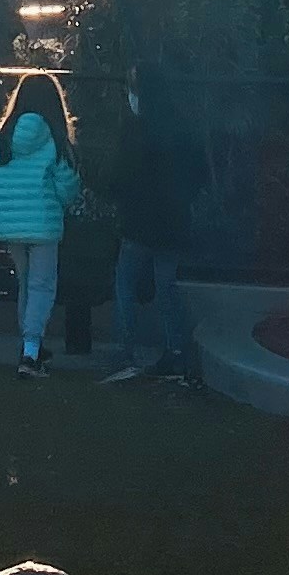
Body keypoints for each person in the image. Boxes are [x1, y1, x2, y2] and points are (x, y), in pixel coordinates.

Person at [0, 71, 81, 377]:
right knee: (42, 286)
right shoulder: (54, 140)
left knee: (25, 283)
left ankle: (29, 345)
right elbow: (67, 186)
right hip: (44, 223)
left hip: (10, 224)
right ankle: (31, 351)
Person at [106, 76, 202, 389]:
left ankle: (125, 353)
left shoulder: (133, 129)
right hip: (174, 224)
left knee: (125, 284)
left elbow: (120, 174)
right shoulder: (182, 127)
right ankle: (176, 351)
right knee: (167, 287)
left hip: (138, 222)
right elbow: (198, 175)